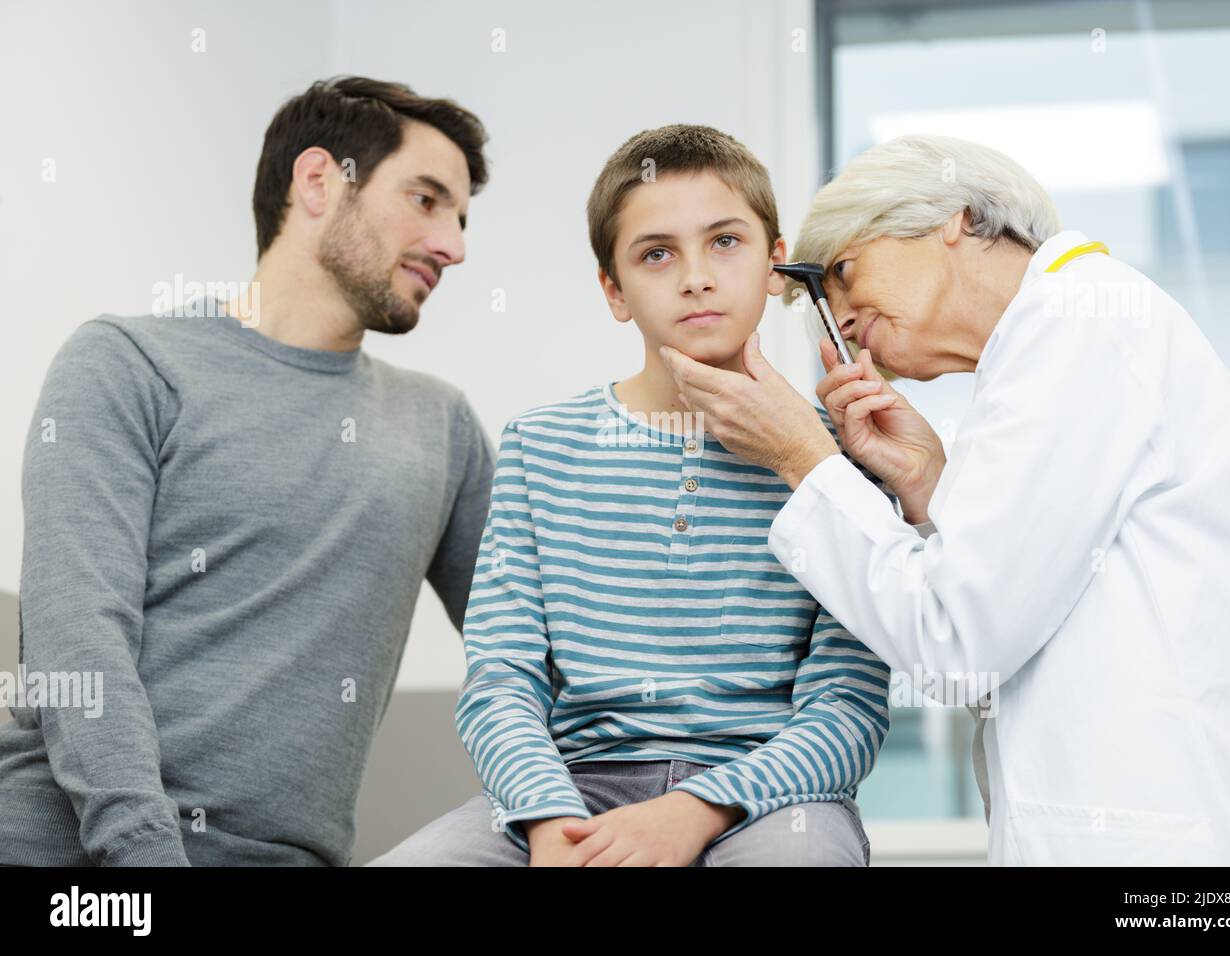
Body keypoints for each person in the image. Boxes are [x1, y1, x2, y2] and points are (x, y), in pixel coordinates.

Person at [660, 133, 1230, 866]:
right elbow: (1023, 595)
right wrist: (930, 485)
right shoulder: (1065, 331)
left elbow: (957, 647)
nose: (839, 319)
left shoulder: (1080, 324)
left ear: (954, 220)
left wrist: (800, 457)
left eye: (842, 270)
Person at [0, 77, 495, 866]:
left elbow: (539, 657)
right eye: (427, 199)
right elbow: (76, 641)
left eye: (463, 219)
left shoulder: (443, 428)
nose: (456, 246)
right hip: (68, 861)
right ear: (319, 182)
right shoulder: (128, 363)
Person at [370, 125, 891, 867]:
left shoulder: (840, 458)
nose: (696, 278)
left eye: (725, 242)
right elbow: (501, 680)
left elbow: (847, 709)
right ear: (614, 291)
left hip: (770, 801)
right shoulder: (540, 446)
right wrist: (550, 823)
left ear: (777, 266)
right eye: (656, 254)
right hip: (567, 788)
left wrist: (696, 810)